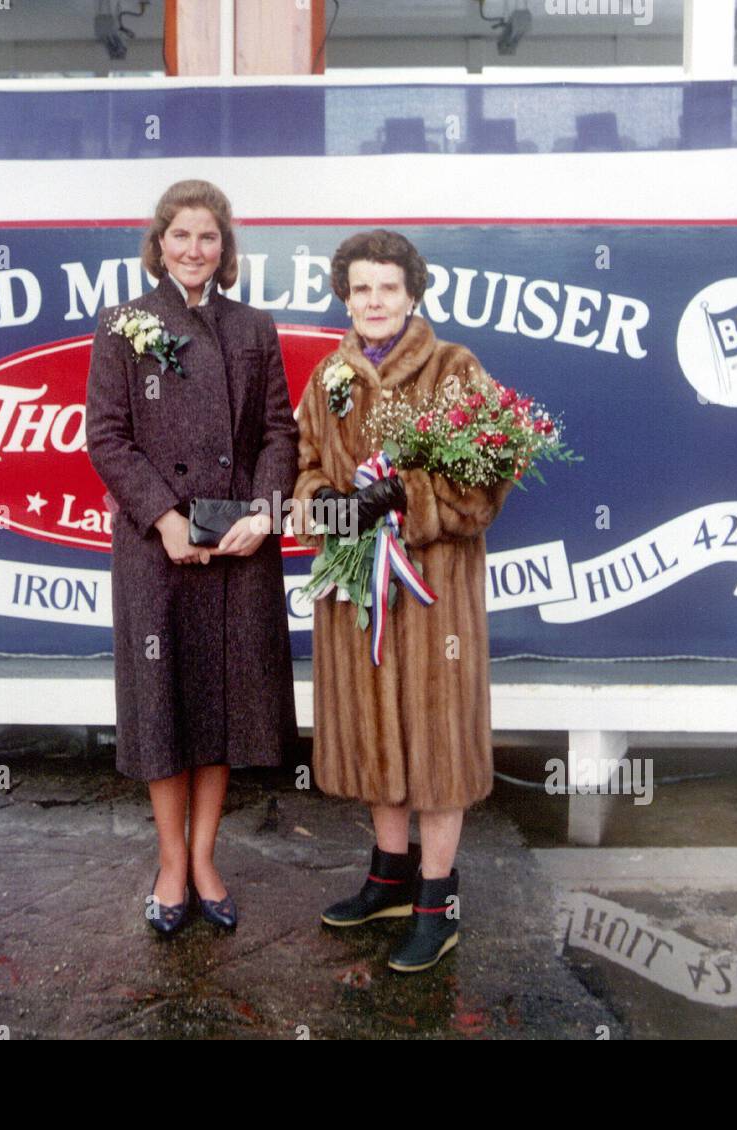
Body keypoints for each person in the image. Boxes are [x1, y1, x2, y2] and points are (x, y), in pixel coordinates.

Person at [292, 229, 513, 973]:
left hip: (433, 602)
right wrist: (330, 503)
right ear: (345, 297)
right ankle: (388, 877)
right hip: (357, 589)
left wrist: (404, 498)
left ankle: (437, 898)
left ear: (413, 292)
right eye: (361, 289)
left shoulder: (456, 369)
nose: (374, 301)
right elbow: (305, 467)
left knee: (437, 746)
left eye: (388, 286)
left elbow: (484, 486)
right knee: (371, 737)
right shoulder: (328, 377)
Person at [85, 179, 299, 937]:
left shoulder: (253, 328)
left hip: (238, 548)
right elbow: (105, 438)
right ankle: (170, 863)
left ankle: (207, 858)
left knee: (224, 706)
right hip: (158, 551)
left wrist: (266, 512)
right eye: (181, 235)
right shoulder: (123, 324)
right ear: (159, 242)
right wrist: (163, 518)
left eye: (208, 237)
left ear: (225, 247)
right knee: (166, 705)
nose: (194, 249)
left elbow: (280, 435)